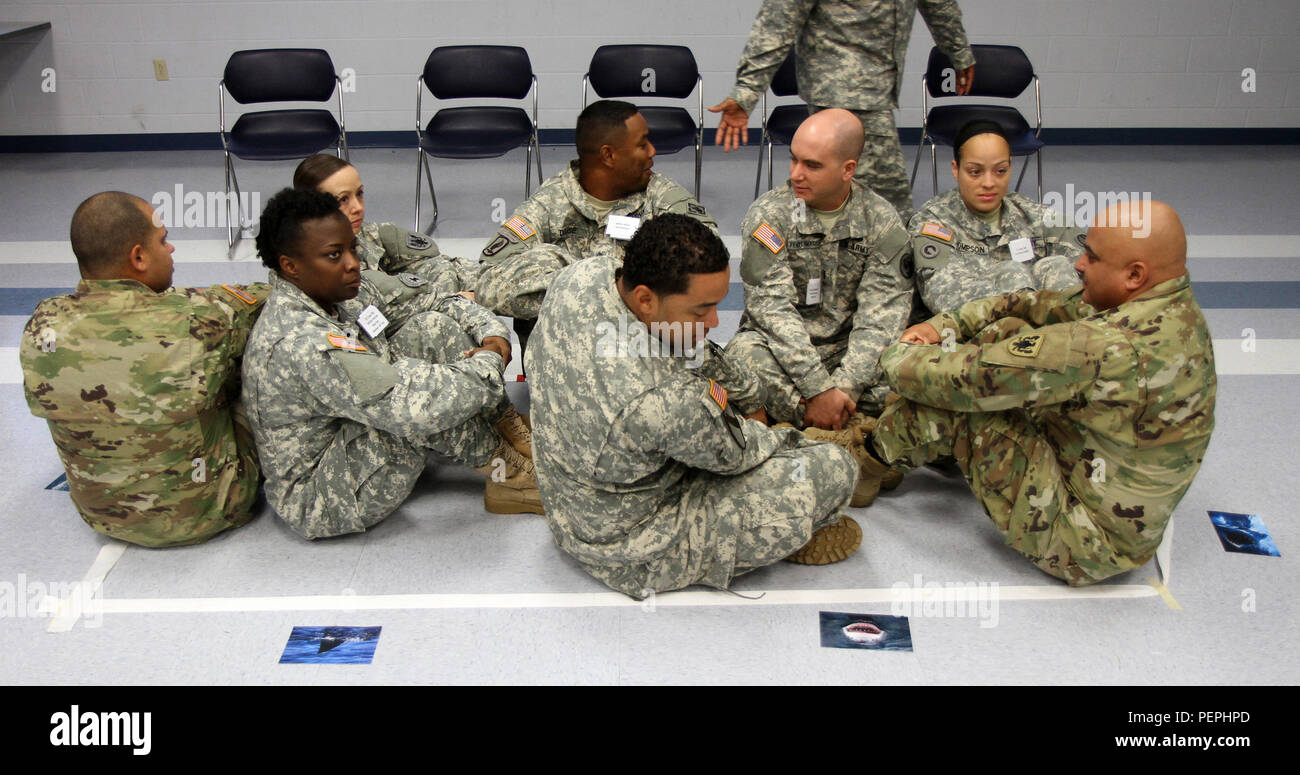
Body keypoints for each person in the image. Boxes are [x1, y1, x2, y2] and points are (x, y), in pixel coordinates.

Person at [853, 201, 1217, 584]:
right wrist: (945, 324)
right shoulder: (1171, 309)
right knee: (1009, 329)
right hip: (1111, 501)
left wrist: (902, 350)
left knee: (955, 407)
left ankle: (862, 464)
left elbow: (961, 380)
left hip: (1082, 544)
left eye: (1091, 257)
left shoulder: (1104, 346)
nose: (1078, 263)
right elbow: (1035, 305)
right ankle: (919, 447)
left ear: (1134, 275)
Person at [526, 213, 862, 600]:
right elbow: (739, 452)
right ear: (646, 300)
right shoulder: (665, 398)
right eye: (701, 311)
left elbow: (694, 350)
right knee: (835, 469)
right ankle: (788, 531)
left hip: (570, 505)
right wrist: (790, 438)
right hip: (631, 550)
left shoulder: (583, 277)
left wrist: (748, 395)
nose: (716, 320)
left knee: (715, 364)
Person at [241, 188, 539, 540]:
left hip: (349, 429)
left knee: (432, 329)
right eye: (334, 255)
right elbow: (416, 408)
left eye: (352, 248)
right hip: (322, 495)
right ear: (290, 266)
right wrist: (489, 364)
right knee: (422, 402)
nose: (352, 263)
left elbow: (436, 300)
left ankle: (508, 433)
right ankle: (515, 477)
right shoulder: (302, 343)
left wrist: (492, 335)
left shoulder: (338, 290)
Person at [20, 191, 267, 547]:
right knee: (256, 355)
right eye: (163, 240)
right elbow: (267, 299)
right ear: (138, 257)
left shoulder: (42, 324)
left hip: (100, 516)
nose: (171, 249)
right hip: (210, 510)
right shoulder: (197, 316)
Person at [724, 109, 912, 504]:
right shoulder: (770, 216)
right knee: (740, 358)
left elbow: (881, 317)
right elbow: (771, 311)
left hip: (849, 355)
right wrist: (818, 388)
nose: (795, 173)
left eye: (812, 165)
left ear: (848, 169)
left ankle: (810, 428)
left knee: (909, 366)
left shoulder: (882, 222)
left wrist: (844, 385)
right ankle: (849, 432)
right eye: (793, 158)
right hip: (783, 352)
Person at [476, 100, 717, 350]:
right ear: (609, 155)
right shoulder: (549, 203)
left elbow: (706, 261)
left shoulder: (661, 197)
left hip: (641, 360)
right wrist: (596, 287)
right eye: (642, 144)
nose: (653, 151)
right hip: (560, 362)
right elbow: (489, 282)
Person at [711, 0, 975, 218]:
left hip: (876, 90)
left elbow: (939, 5)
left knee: (836, 193)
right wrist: (746, 91)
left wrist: (959, 51)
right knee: (882, 204)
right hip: (838, 90)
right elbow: (777, 22)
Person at [909, 120, 1082, 317]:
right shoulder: (933, 222)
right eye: (975, 172)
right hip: (972, 338)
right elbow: (945, 298)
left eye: (1000, 171)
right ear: (956, 169)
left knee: (1055, 266)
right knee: (1011, 272)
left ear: (1010, 167)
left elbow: (1094, 273)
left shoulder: (1036, 217)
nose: (989, 183)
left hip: (1053, 334)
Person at [293, 154, 479, 296]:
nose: (357, 207)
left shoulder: (362, 234)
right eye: (343, 199)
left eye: (359, 193)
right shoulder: (312, 270)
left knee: (445, 268)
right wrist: (453, 301)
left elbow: (428, 260)